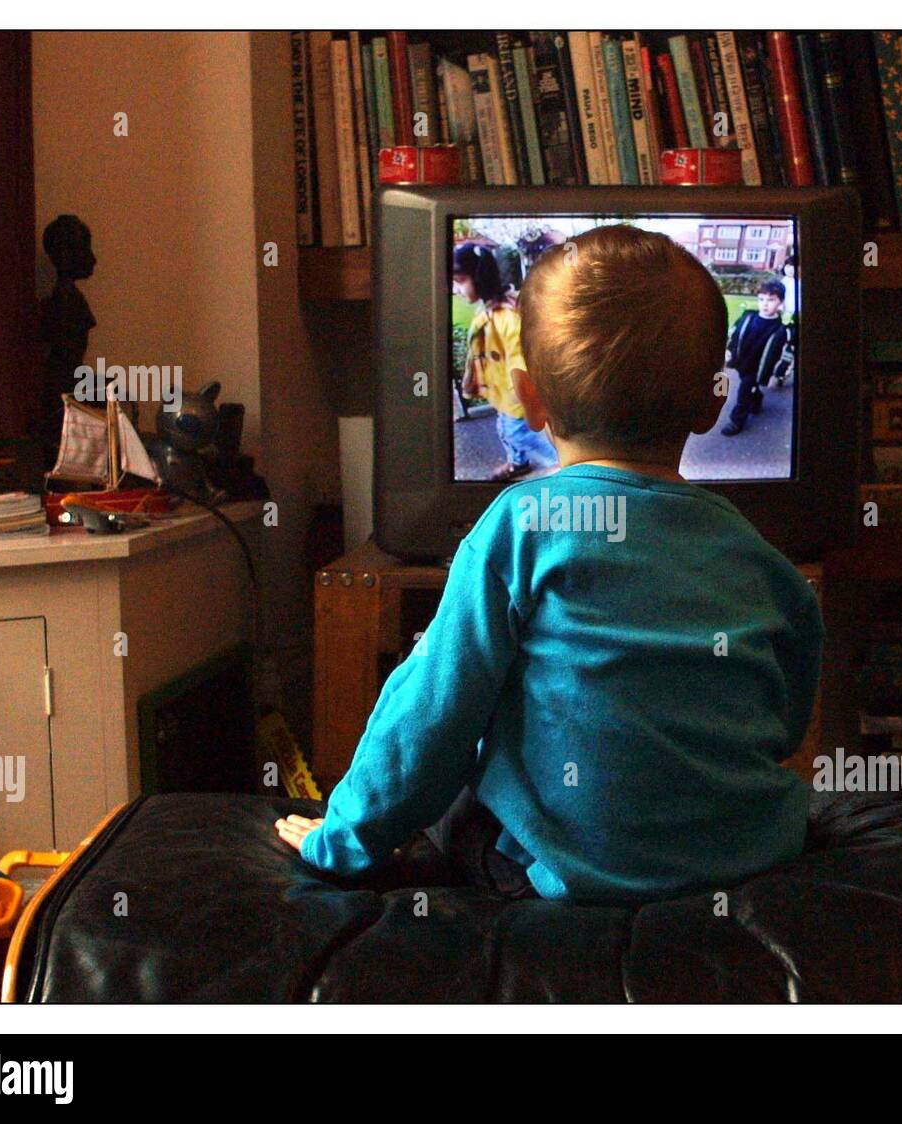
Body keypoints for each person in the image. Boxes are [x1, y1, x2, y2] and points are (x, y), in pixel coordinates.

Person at [278, 225, 823, 905]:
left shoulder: (519, 526)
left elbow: (432, 715)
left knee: (457, 778)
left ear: (529, 399)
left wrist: (341, 838)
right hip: (749, 855)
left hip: (567, 874)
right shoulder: (757, 552)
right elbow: (788, 713)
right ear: (714, 400)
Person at [452, 241, 557, 481]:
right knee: (504, 430)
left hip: (516, 397)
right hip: (502, 394)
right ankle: (518, 463)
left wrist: (520, 397)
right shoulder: (489, 312)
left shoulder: (506, 319)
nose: (457, 290)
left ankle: (562, 463)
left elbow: (520, 361)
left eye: (460, 282)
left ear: (479, 278)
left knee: (518, 434)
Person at [721, 279, 792, 436]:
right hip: (742, 361)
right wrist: (728, 351)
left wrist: (778, 374)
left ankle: (736, 421)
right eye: (762, 299)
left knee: (744, 390)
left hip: (760, 367)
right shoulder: (748, 317)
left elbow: (786, 354)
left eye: (771, 300)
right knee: (749, 385)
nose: (765, 304)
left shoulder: (782, 329)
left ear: (780, 303)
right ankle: (757, 396)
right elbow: (734, 335)